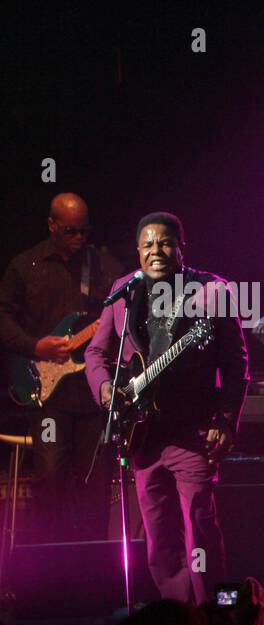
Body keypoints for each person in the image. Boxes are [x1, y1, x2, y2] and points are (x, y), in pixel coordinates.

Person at [85, 212, 249, 604]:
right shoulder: (123, 291)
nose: (155, 251)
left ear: (180, 248)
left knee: (199, 525)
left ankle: (213, 613)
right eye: (147, 244)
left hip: (193, 430)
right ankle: (178, 616)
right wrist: (106, 389)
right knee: (158, 531)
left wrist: (226, 422)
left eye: (164, 243)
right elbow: (96, 352)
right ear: (138, 250)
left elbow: (236, 365)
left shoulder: (211, 291)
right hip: (142, 434)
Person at [0, 193, 121, 542]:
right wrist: (33, 346)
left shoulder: (103, 266)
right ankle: (50, 559)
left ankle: (93, 561)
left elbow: (120, 314)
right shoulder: (25, 266)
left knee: (95, 482)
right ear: (51, 224)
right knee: (50, 477)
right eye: (70, 231)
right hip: (48, 394)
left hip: (93, 392)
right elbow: (3, 316)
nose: (79, 238)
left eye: (84, 231)